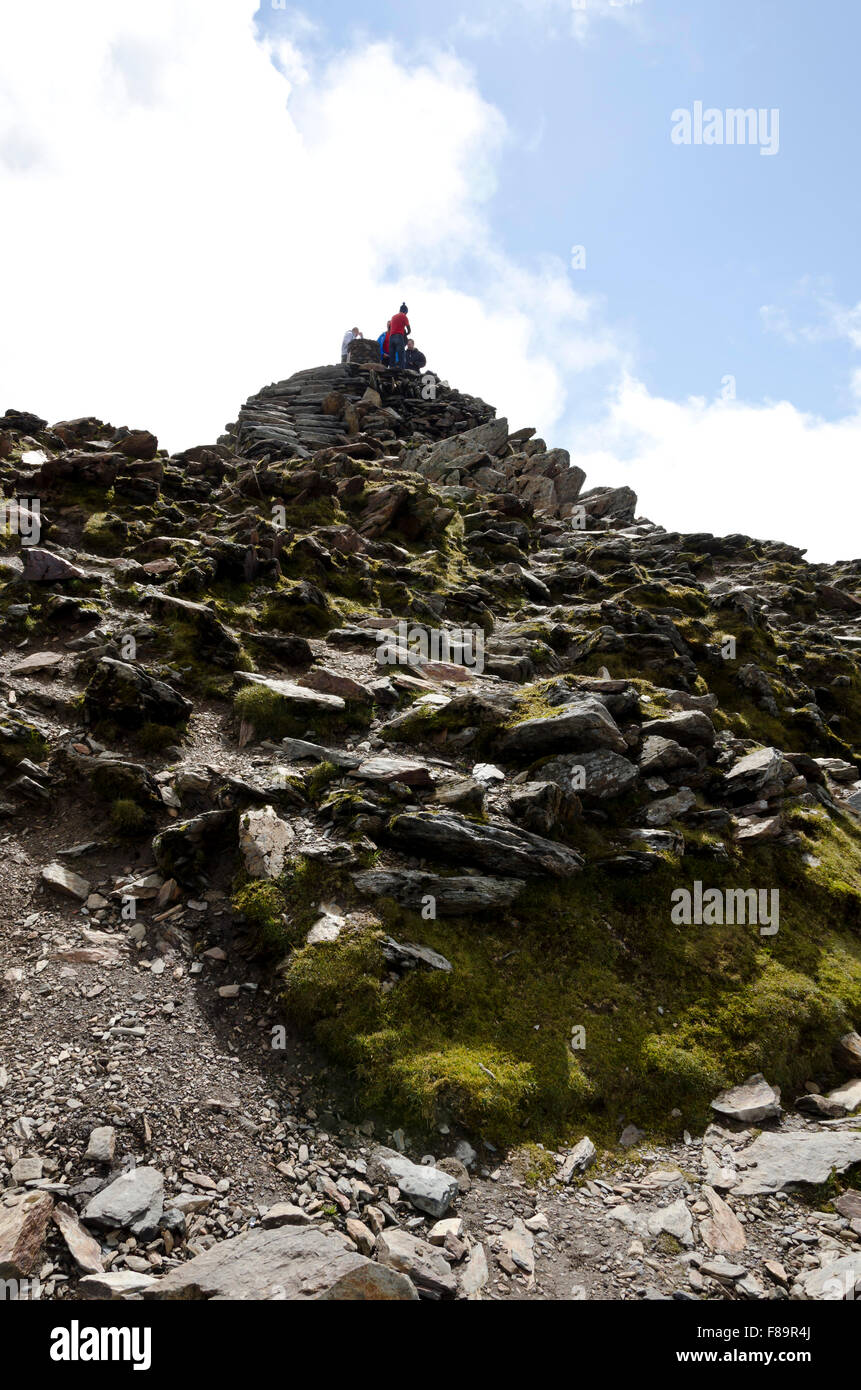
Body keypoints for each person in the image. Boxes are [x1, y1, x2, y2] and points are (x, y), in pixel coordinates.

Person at [388, 302, 411, 370]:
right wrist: (406, 333)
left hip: (391, 337)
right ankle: (402, 370)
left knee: (392, 354)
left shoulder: (393, 317)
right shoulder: (404, 316)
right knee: (401, 353)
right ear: (406, 311)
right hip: (399, 336)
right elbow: (409, 329)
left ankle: (391, 368)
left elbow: (389, 328)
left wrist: (392, 332)